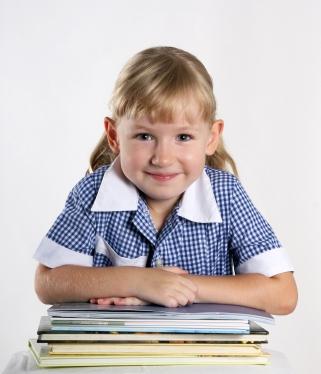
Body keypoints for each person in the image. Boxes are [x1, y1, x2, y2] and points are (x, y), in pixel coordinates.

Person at [34, 46, 297, 314]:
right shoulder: (91, 193)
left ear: (211, 138)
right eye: (145, 136)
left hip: (202, 355)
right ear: (114, 136)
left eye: (183, 137)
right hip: (116, 354)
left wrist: (180, 287)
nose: (163, 158)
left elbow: (283, 293)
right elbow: (48, 282)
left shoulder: (225, 195)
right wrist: (137, 282)